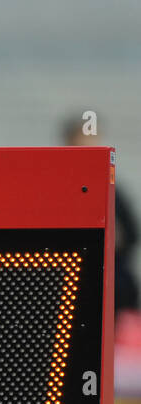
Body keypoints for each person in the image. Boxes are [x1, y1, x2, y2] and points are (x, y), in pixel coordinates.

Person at [64, 115, 138, 315]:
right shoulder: (59, 191)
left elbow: (130, 236)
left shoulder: (114, 192)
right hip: (73, 283)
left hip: (111, 284)